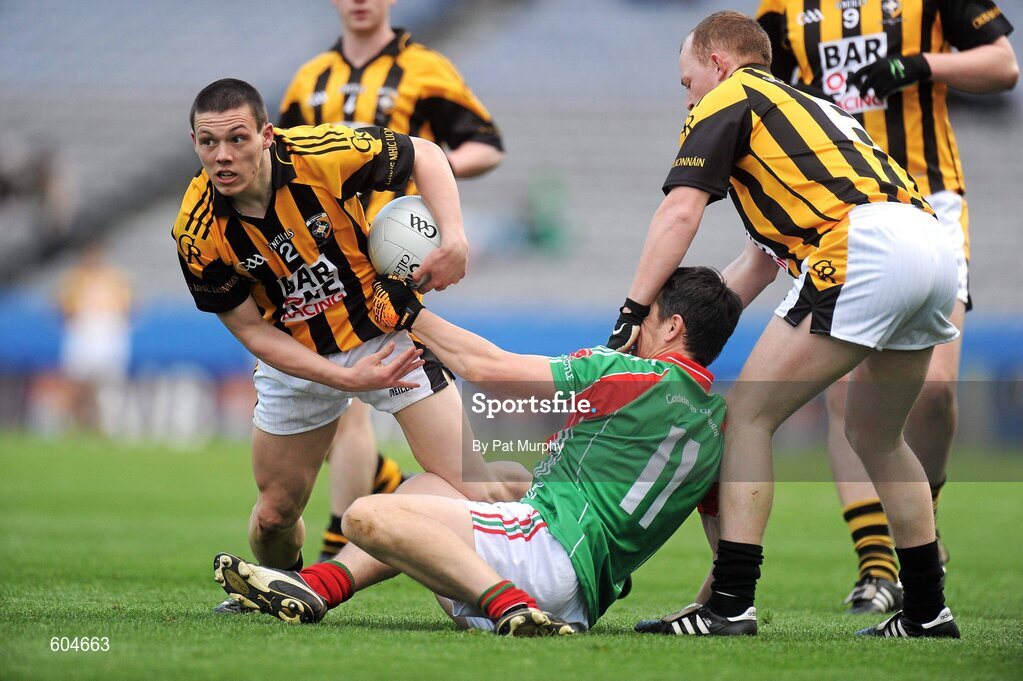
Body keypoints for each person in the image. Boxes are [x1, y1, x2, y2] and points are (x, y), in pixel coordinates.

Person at [613, 11, 961, 638]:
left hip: (864, 247)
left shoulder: (731, 96)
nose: (687, 96)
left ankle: (730, 605)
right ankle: (929, 612)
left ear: (717, 66)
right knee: (878, 437)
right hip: (930, 243)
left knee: (747, 414)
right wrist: (676, 338)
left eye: (687, 80)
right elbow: (753, 269)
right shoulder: (803, 109)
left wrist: (632, 313)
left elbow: (680, 211)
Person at [210, 267, 742, 635]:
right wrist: (700, 611)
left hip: (541, 560)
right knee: (458, 482)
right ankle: (318, 588)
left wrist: (411, 314)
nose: (636, 329)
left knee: (366, 515)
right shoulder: (720, 428)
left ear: (673, 326)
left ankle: (508, 605)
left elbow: (489, 368)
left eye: (647, 320)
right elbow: (728, 557)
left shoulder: (632, 373)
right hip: (583, 600)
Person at [171, 78, 522, 614]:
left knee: (479, 487)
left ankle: (557, 542)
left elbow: (424, 154)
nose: (223, 156)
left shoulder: (322, 155)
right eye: (208, 142)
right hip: (296, 358)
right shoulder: (197, 231)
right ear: (194, 142)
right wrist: (341, 379)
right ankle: (280, 586)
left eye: (238, 139)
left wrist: (454, 236)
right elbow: (250, 330)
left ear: (267, 135)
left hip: (381, 333)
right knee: (273, 515)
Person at [754, 0, 1017, 614]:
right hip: (841, 209)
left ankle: (923, 531)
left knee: (934, 392)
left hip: (932, 196)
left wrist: (918, 64)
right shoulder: (782, 9)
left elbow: (1004, 65)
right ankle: (877, 565)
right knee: (847, 392)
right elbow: (755, 85)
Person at [278, 0, 506, 563]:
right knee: (339, 397)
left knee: (350, 387)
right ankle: (375, 493)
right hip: (325, 254)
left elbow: (487, 145)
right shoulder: (310, 78)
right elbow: (276, 161)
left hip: (392, 253)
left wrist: (427, 169)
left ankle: (342, 540)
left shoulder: (424, 67)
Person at [57, 243, 132, 432]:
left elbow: (128, 306)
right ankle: (77, 422)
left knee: (105, 384)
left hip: (107, 332)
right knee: (78, 382)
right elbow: (64, 307)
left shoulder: (114, 278)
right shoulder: (75, 279)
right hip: (84, 331)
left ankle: (102, 424)